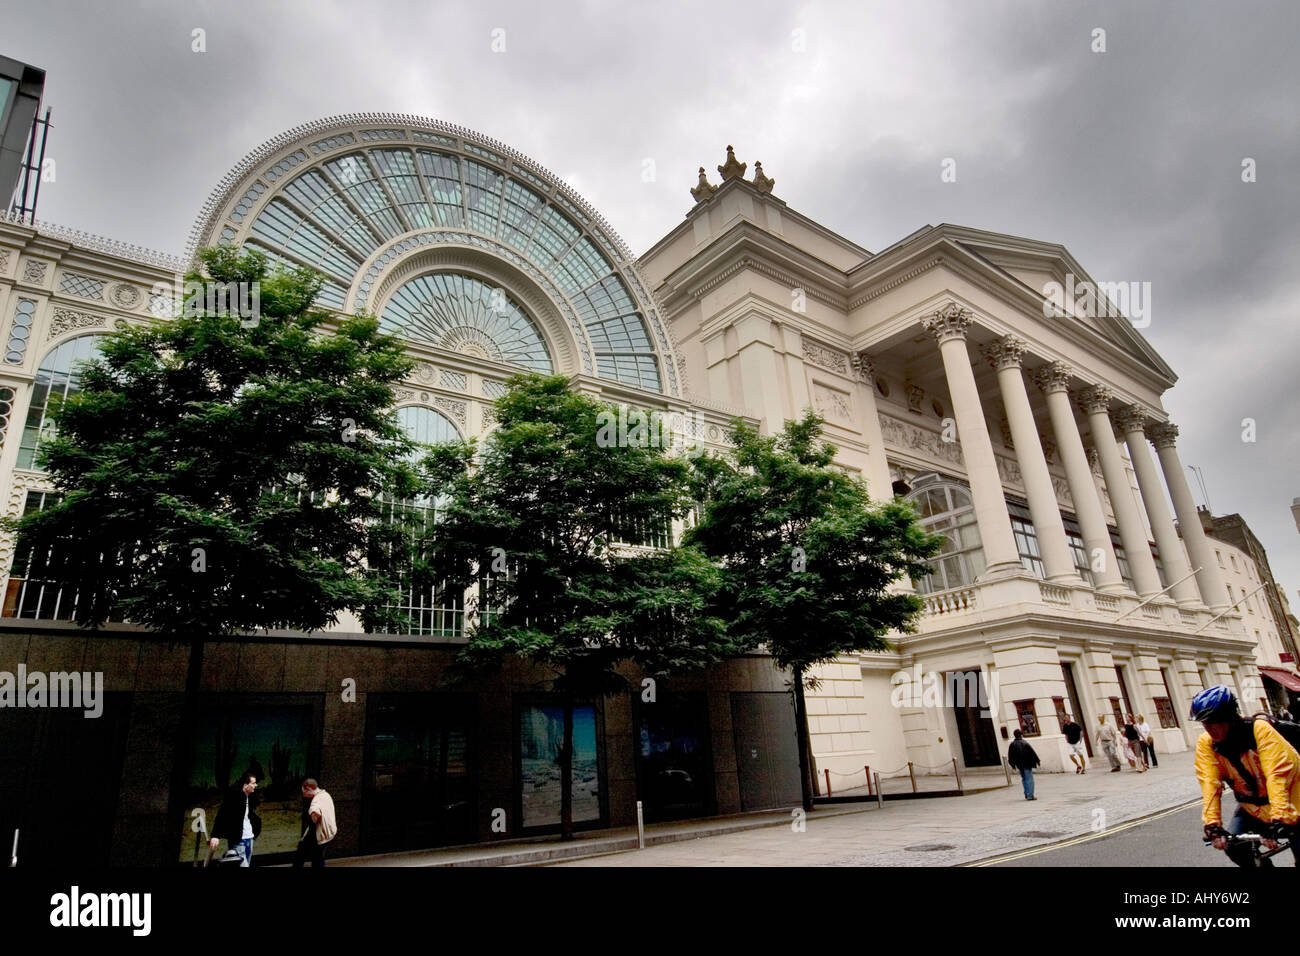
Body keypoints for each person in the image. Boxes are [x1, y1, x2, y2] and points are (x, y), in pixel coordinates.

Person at [1192, 685, 1300, 867]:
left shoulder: (1260, 731)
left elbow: (1277, 776)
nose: (1208, 728)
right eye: (1203, 723)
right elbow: (1209, 784)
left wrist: (1279, 819)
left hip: (1292, 801)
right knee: (1234, 848)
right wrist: (1213, 825)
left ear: (1228, 717)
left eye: (1212, 721)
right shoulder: (1207, 743)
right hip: (1253, 808)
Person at [209, 772, 261, 867]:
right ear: (245, 785)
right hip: (238, 839)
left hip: (249, 838)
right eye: (253, 783)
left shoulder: (249, 797)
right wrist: (215, 835)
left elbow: (249, 816)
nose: (256, 785)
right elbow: (222, 815)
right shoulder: (233, 797)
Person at [294, 778, 337, 868]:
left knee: (306, 854)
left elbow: (315, 812)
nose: (304, 795)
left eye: (304, 793)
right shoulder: (325, 794)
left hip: (319, 834)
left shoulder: (316, 801)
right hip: (328, 833)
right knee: (318, 856)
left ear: (309, 789)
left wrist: (313, 815)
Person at [1007, 729, 1040, 800]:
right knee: (1029, 779)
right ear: (1021, 734)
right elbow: (1032, 753)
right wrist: (1037, 760)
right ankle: (1030, 795)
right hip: (1027, 763)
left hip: (1019, 765)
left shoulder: (1012, 744)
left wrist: (1013, 765)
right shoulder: (1025, 743)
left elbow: (1010, 756)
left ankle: (1026, 793)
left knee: (1024, 779)